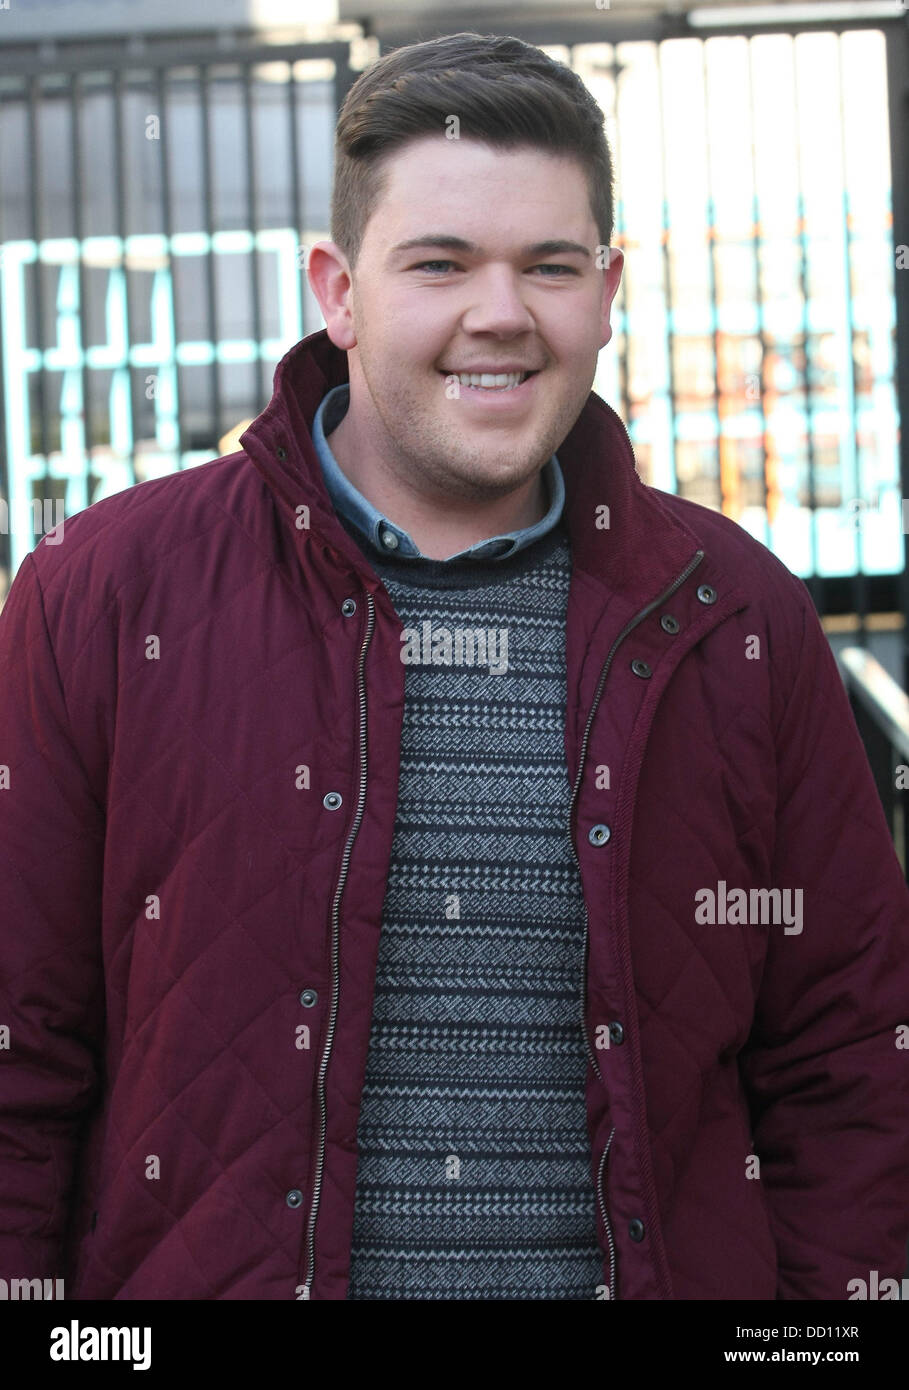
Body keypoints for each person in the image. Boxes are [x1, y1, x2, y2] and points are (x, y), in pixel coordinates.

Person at [1, 30, 907, 1304]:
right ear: (339, 289)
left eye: (549, 265)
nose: (501, 312)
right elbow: (21, 1063)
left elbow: (850, 1061)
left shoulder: (733, 617)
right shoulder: (104, 597)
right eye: (439, 263)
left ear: (606, 289)